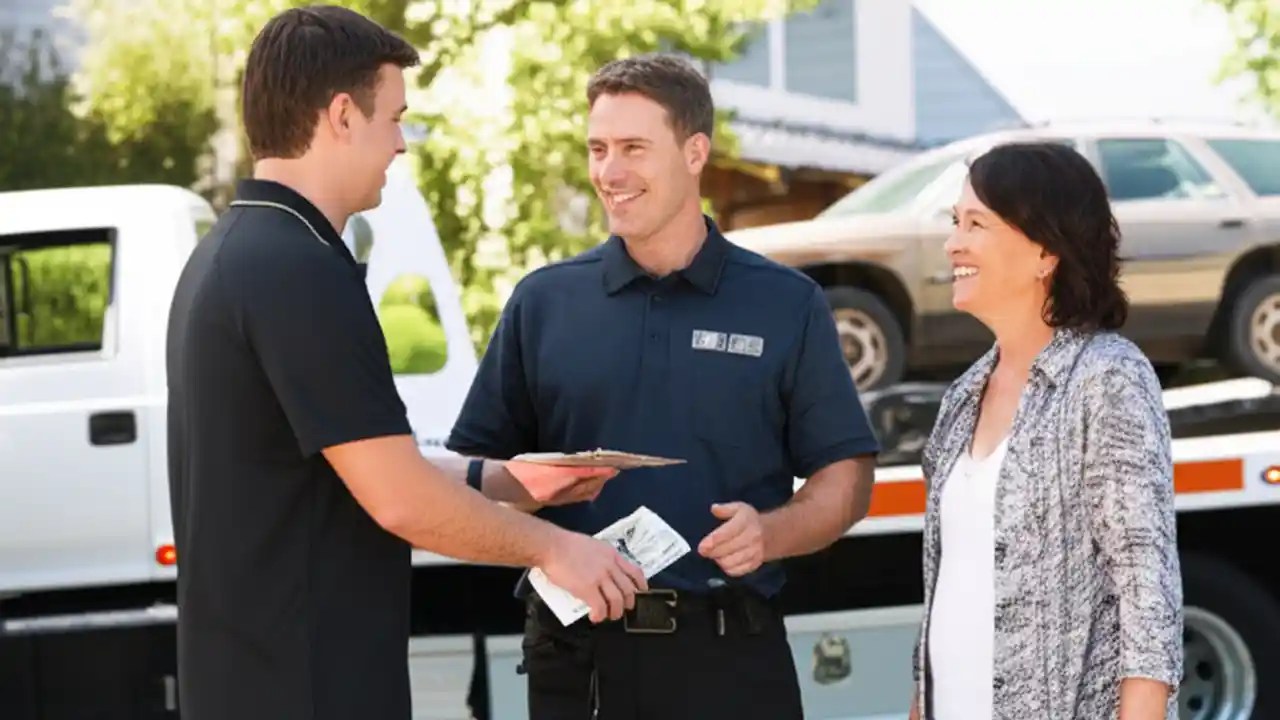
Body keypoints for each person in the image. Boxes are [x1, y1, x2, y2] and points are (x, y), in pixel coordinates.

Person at [164, 7, 647, 720]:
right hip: (306, 688)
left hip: (261, 679)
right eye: (394, 118)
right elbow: (399, 500)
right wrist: (554, 550)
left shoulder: (234, 254)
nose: (400, 143)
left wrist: (506, 480)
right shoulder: (296, 271)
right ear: (340, 115)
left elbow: (359, 467)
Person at [446, 53, 880, 720]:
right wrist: (529, 495)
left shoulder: (785, 304)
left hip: (730, 658)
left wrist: (770, 532)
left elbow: (846, 479)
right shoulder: (543, 303)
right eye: (597, 149)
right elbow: (472, 481)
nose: (609, 172)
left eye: (633, 149)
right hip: (576, 663)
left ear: (695, 151)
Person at [908, 142, 1183, 720]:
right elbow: (944, 593)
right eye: (955, 223)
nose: (954, 242)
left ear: (1045, 251)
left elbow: (1146, 593)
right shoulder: (961, 397)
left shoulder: (1107, 377)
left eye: (976, 223)